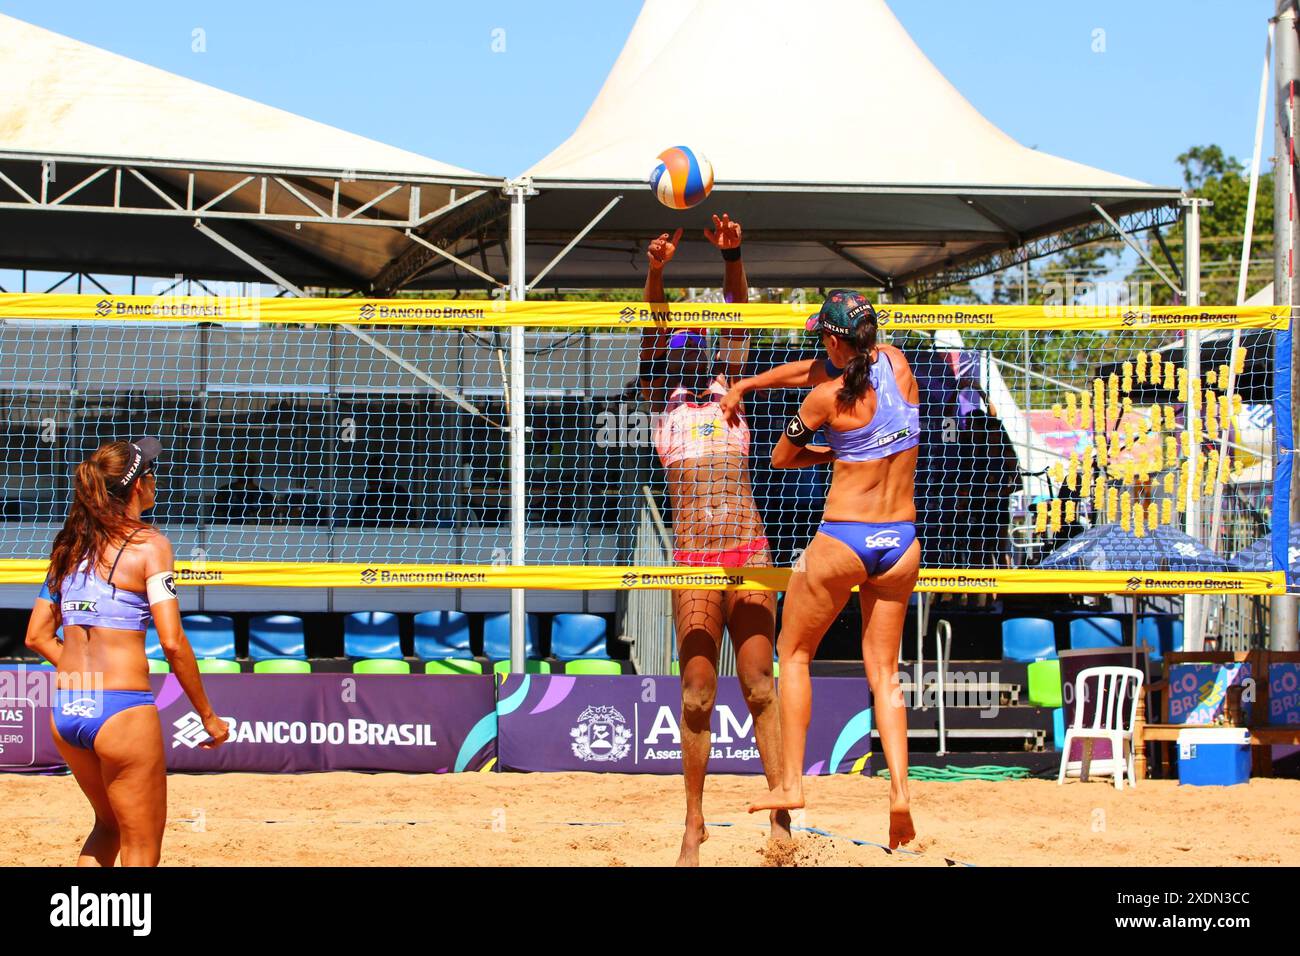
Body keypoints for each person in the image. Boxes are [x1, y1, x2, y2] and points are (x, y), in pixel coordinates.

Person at [746, 290, 921, 850]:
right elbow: (824, 368)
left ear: (833, 340)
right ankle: (899, 791)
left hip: (845, 535)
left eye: (822, 335)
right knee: (886, 672)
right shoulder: (898, 364)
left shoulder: (825, 400)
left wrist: (833, 450)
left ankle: (794, 784)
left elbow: (779, 459)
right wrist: (756, 383)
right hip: (901, 542)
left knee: (793, 655)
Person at [640, 214, 789, 866]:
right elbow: (655, 325)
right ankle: (693, 825)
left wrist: (734, 256)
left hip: (748, 554)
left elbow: (739, 319)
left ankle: (782, 817)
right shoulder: (663, 409)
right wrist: (656, 272)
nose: (691, 353)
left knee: (760, 690)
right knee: (697, 697)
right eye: (681, 349)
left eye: (695, 347)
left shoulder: (730, 395)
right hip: (696, 562)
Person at [25, 438, 229, 866]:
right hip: (122, 709)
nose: (158, 480)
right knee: (141, 846)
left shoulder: (68, 547)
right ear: (137, 487)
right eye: (152, 473)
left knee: (108, 826)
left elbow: (37, 636)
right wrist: (207, 716)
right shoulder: (150, 546)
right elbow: (172, 642)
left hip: (68, 707)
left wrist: (88, 680)